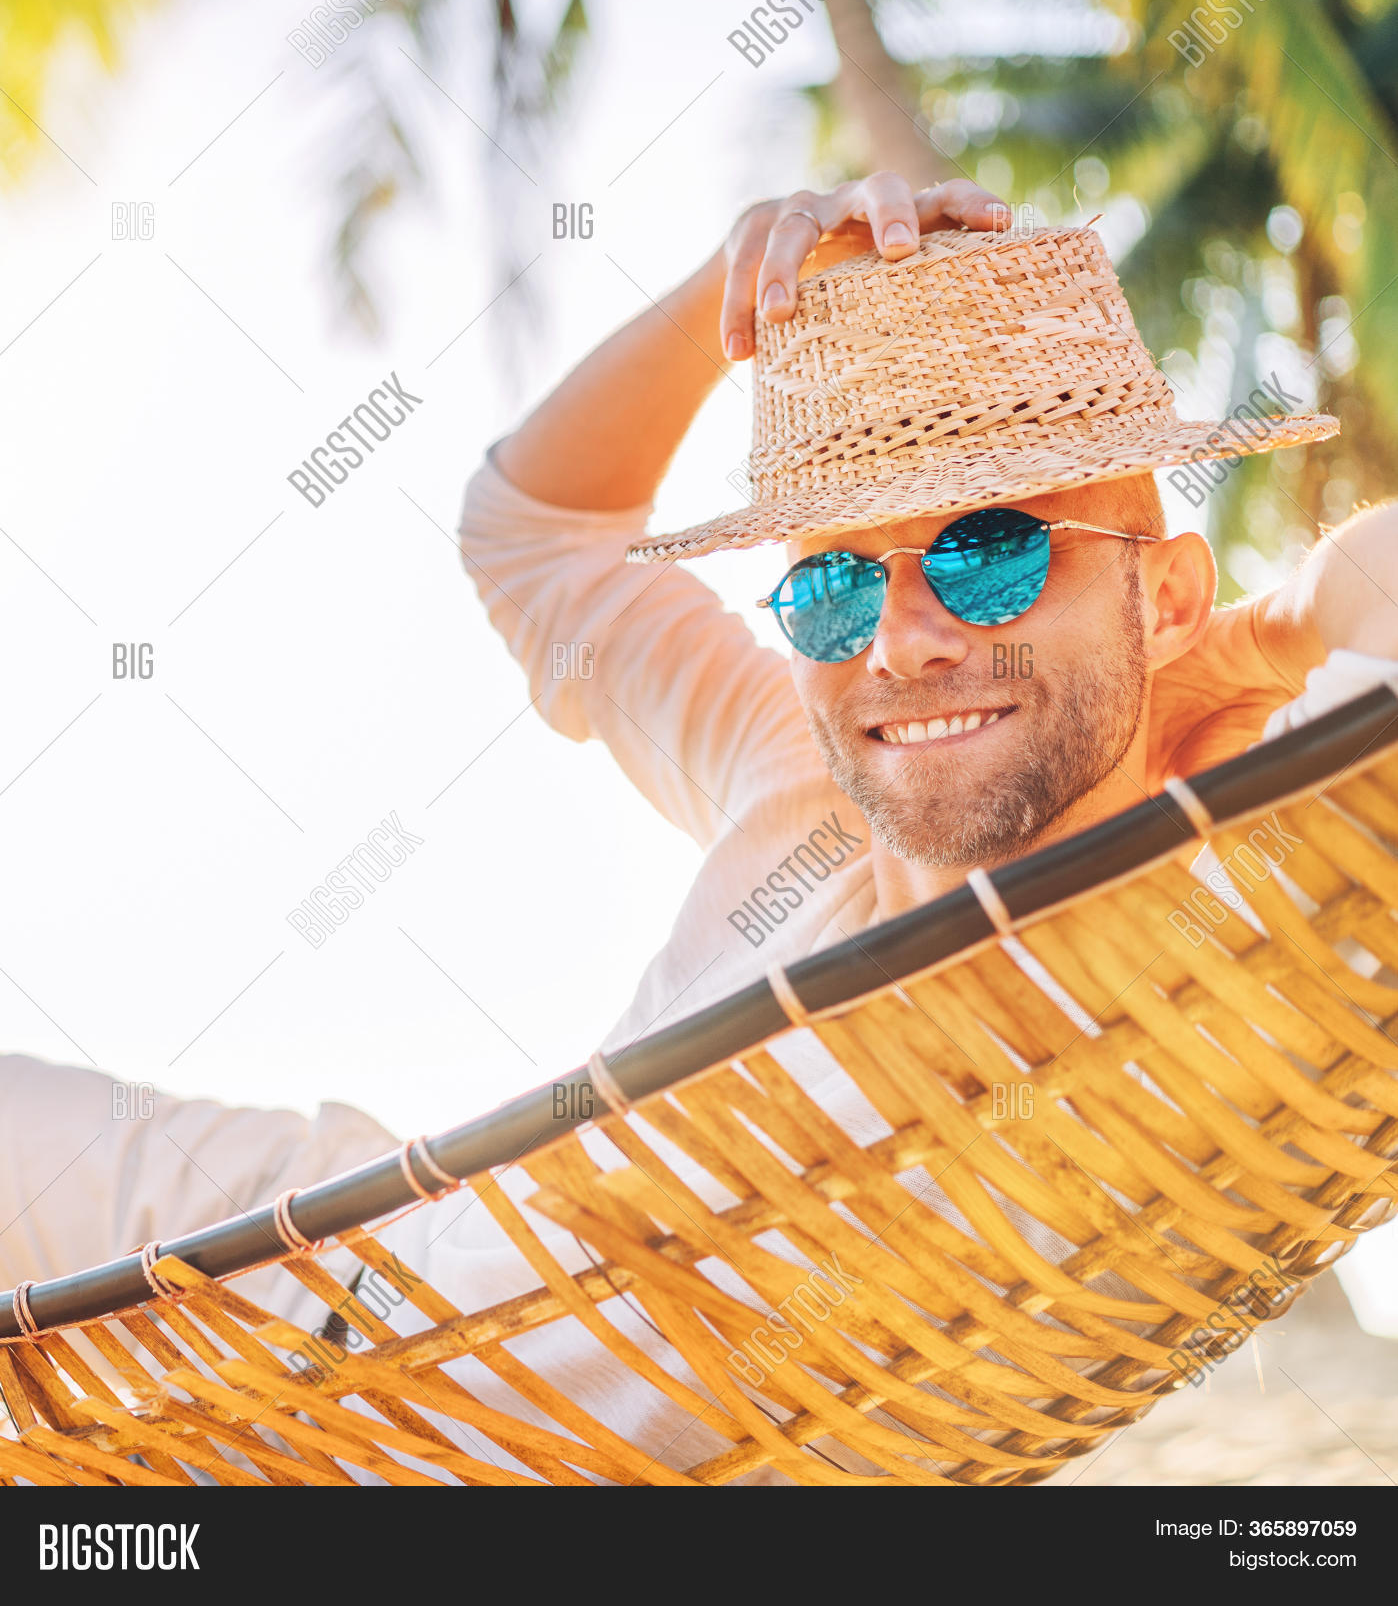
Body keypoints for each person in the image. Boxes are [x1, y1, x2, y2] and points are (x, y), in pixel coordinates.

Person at [3, 173, 1396, 1481]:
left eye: (988, 549)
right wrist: (715, 296)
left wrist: (1257, 637)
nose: (897, 642)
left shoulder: (1244, 934)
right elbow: (531, 536)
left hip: (375, 1430)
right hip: (305, 1227)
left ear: (1161, 598)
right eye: (832, 587)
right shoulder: (798, 789)